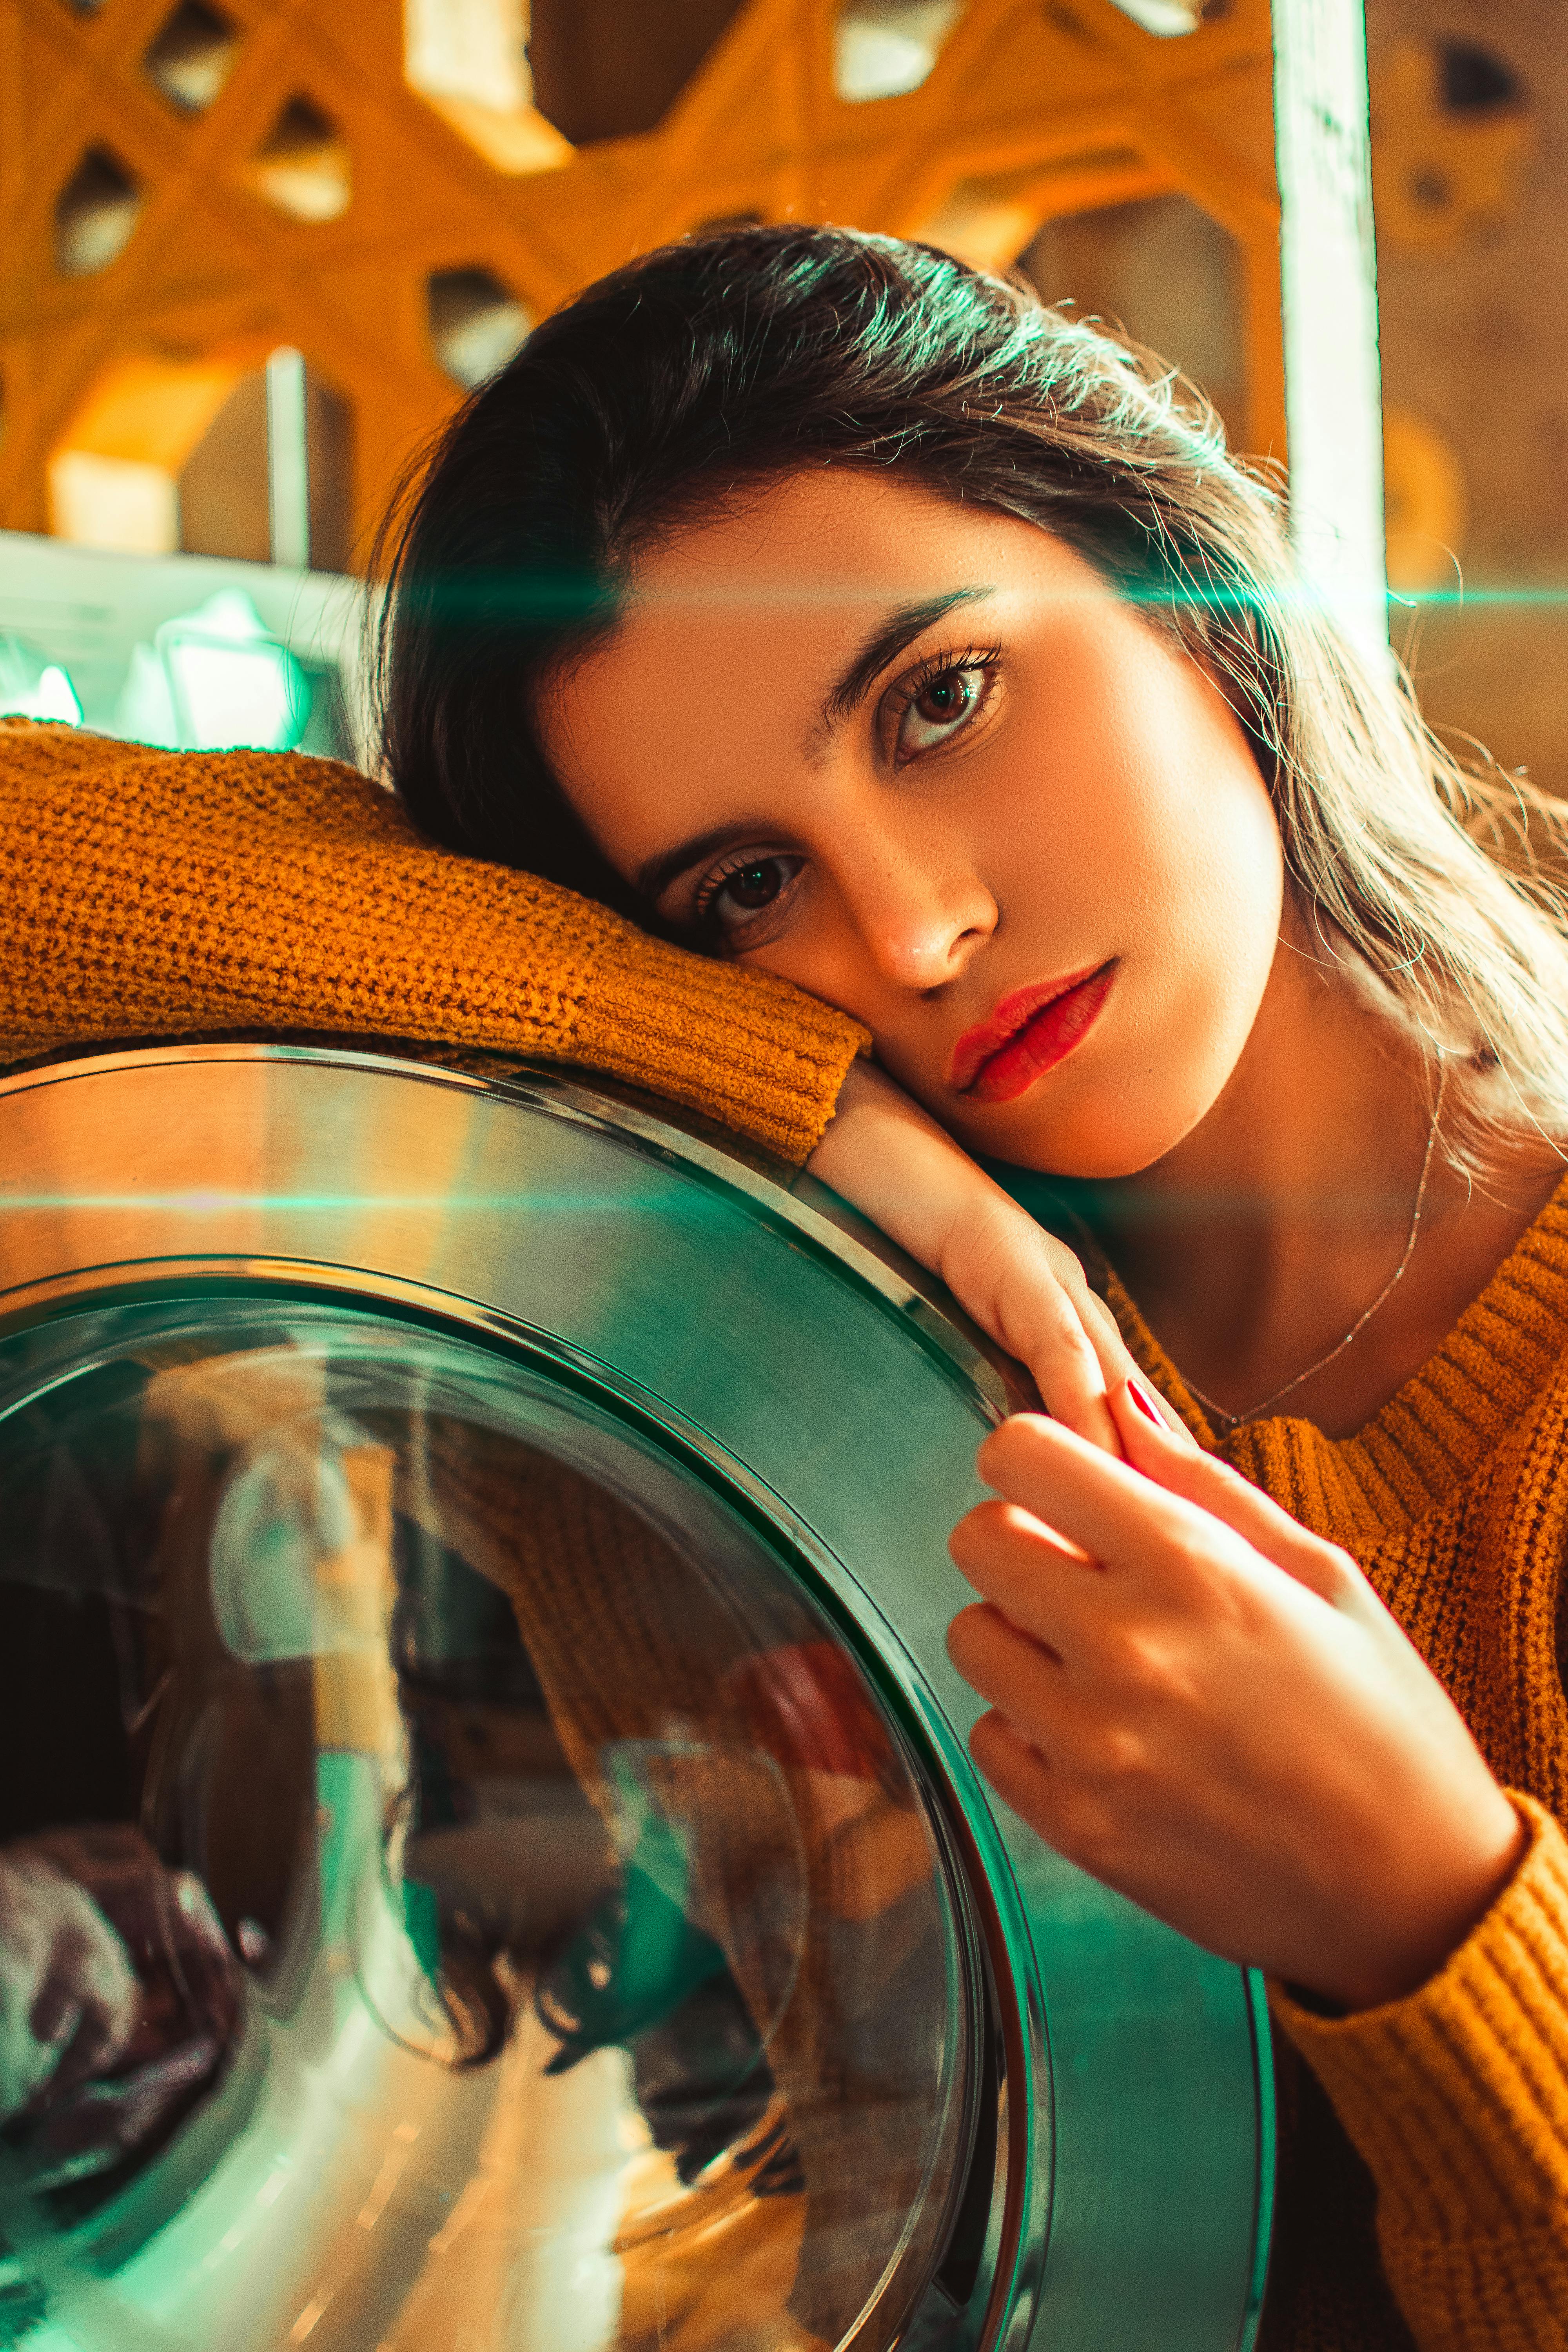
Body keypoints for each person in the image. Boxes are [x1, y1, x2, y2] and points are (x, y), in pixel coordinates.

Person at [2, 220, 1565, 2348]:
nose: (910, 933)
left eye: (944, 698)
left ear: (1189, 591)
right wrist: (786, 1094)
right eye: (744, 886)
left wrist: (1436, 1911)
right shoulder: (726, 1343)